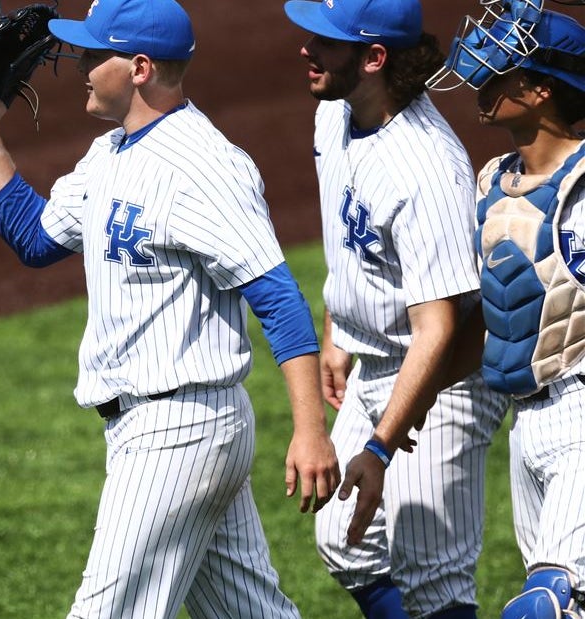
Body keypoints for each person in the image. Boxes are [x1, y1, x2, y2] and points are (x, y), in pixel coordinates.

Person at [0, 0, 340, 617]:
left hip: (179, 430)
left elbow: (276, 296)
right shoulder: (110, 154)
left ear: (138, 68)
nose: (77, 62)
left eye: (91, 52)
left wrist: (310, 429)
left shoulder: (204, 165)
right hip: (164, 427)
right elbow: (36, 238)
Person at [282, 0, 511, 617]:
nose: (306, 49)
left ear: (374, 58)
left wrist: (381, 448)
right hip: (378, 361)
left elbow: (439, 328)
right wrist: (338, 332)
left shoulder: (425, 168)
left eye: (326, 42)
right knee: (344, 542)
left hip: (445, 375)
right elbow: (349, 238)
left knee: (431, 572)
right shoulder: (335, 115)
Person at [428, 4, 585, 617]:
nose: (482, 77)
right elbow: (493, 318)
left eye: (503, 67)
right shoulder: (494, 181)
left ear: (542, 90)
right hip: (527, 425)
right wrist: (414, 402)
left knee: (548, 602)